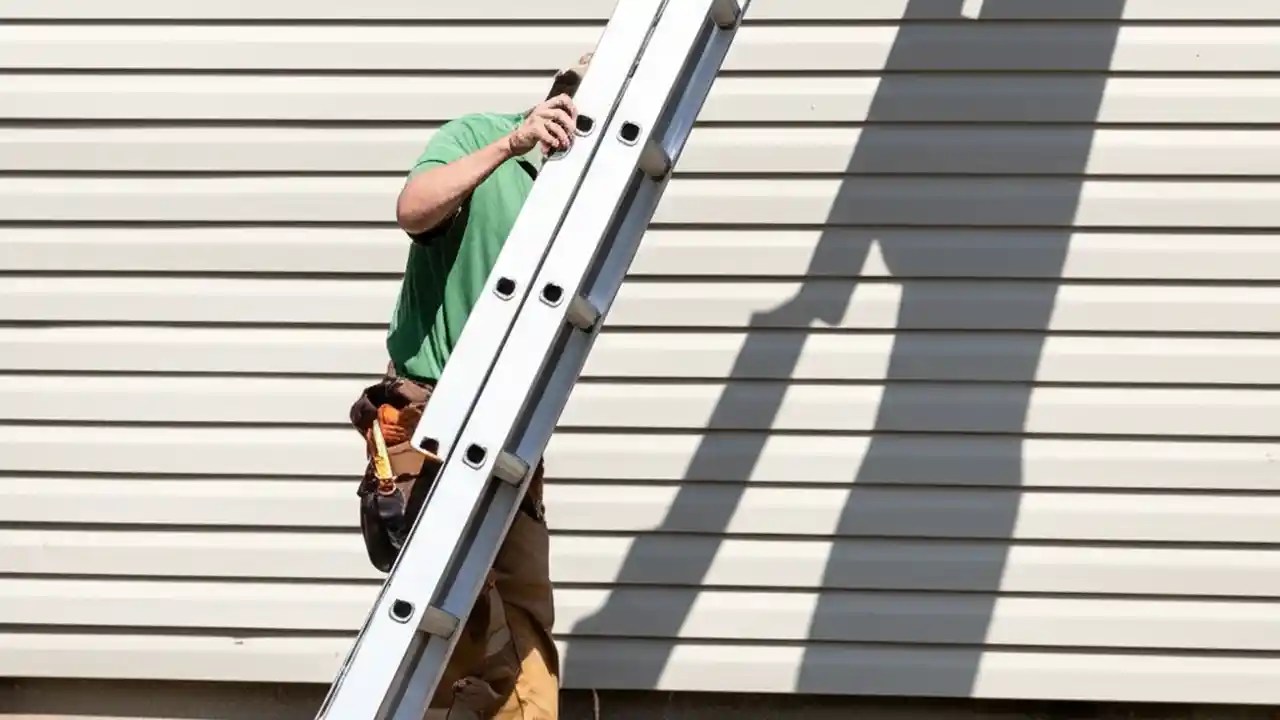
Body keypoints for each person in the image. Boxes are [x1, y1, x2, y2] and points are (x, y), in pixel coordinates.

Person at [347, 53, 593, 720]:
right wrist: (511, 143)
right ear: (557, 101)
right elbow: (413, 208)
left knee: (522, 607)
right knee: (452, 609)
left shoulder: (589, 198)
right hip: (427, 410)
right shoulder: (478, 137)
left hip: (512, 422)